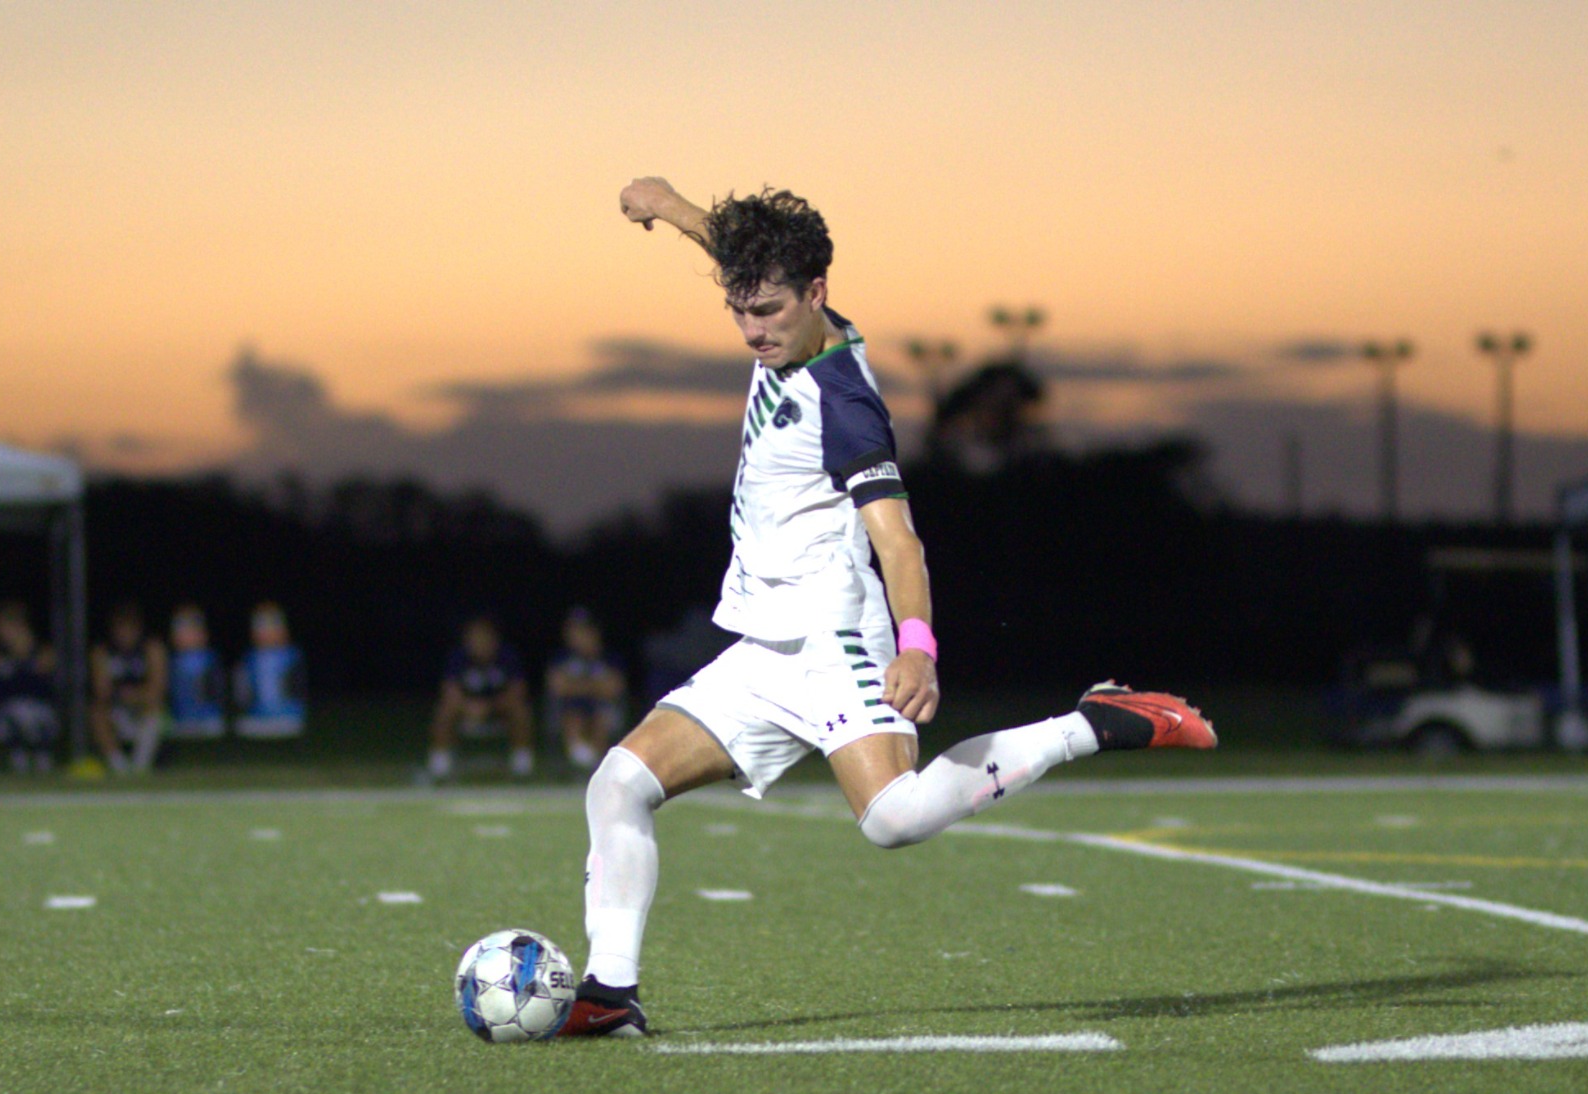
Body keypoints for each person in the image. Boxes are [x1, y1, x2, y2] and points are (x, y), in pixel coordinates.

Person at [563, 179, 1216, 1037]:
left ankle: (1094, 721)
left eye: (766, 312)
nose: (753, 331)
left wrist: (917, 646)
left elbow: (901, 542)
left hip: (838, 641)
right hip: (765, 647)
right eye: (739, 313)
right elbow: (736, 247)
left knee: (894, 819)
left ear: (816, 296)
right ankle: (612, 995)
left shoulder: (845, 403)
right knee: (618, 783)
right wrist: (674, 206)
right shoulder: (791, 312)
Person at [425, 614, 534, 780]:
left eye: (484, 637)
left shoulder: (507, 656)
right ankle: (440, 765)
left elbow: (518, 690)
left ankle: (522, 765)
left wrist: (489, 705)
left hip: (499, 709)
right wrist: (469, 706)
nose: (480, 642)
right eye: (475, 637)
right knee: (444, 710)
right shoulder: (458, 657)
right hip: (466, 709)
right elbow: (449, 690)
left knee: (520, 709)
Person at [0, 600, 59, 773]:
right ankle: (18, 761)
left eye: (4, 627)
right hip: (8, 715)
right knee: (15, 714)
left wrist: (24, 666)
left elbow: (45, 690)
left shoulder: (43, 652)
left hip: (42, 714)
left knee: (29, 716)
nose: (0, 633)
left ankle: (42, 759)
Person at [91, 602, 168, 775]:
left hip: (143, 708)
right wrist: (122, 696)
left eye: (129, 628)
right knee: (97, 712)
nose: (124, 634)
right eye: (120, 628)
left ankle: (140, 765)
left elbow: (157, 688)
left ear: (138, 629)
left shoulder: (151, 647)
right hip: (117, 709)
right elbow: (101, 690)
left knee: (156, 707)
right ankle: (118, 765)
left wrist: (135, 695)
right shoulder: (103, 650)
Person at [548, 607, 627, 770]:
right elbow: (557, 686)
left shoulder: (609, 657)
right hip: (571, 707)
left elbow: (614, 688)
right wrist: (594, 686)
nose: (577, 636)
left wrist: (576, 685)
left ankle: (597, 765)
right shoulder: (561, 658)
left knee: (602, 717)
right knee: (573, 715)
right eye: (573, 631)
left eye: (582, 631)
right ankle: (581, 761)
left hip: (604, 707)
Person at [235, 601, 306, 738]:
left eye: (273, 626)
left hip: (287, 715)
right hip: (258, 714)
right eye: (261, 627)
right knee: (244, 726)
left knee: (290, 725)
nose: (268, 633)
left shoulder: (292, 656)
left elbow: (299, 687)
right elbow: (242, 689)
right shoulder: (250, 658)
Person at [167, 604, 228, 739]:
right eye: (182, 630)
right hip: (182, 718)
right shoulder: (173, 662)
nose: (187, 635)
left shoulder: (210, 659)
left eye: (192, 630)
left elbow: (219, 688)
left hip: (209, 717)